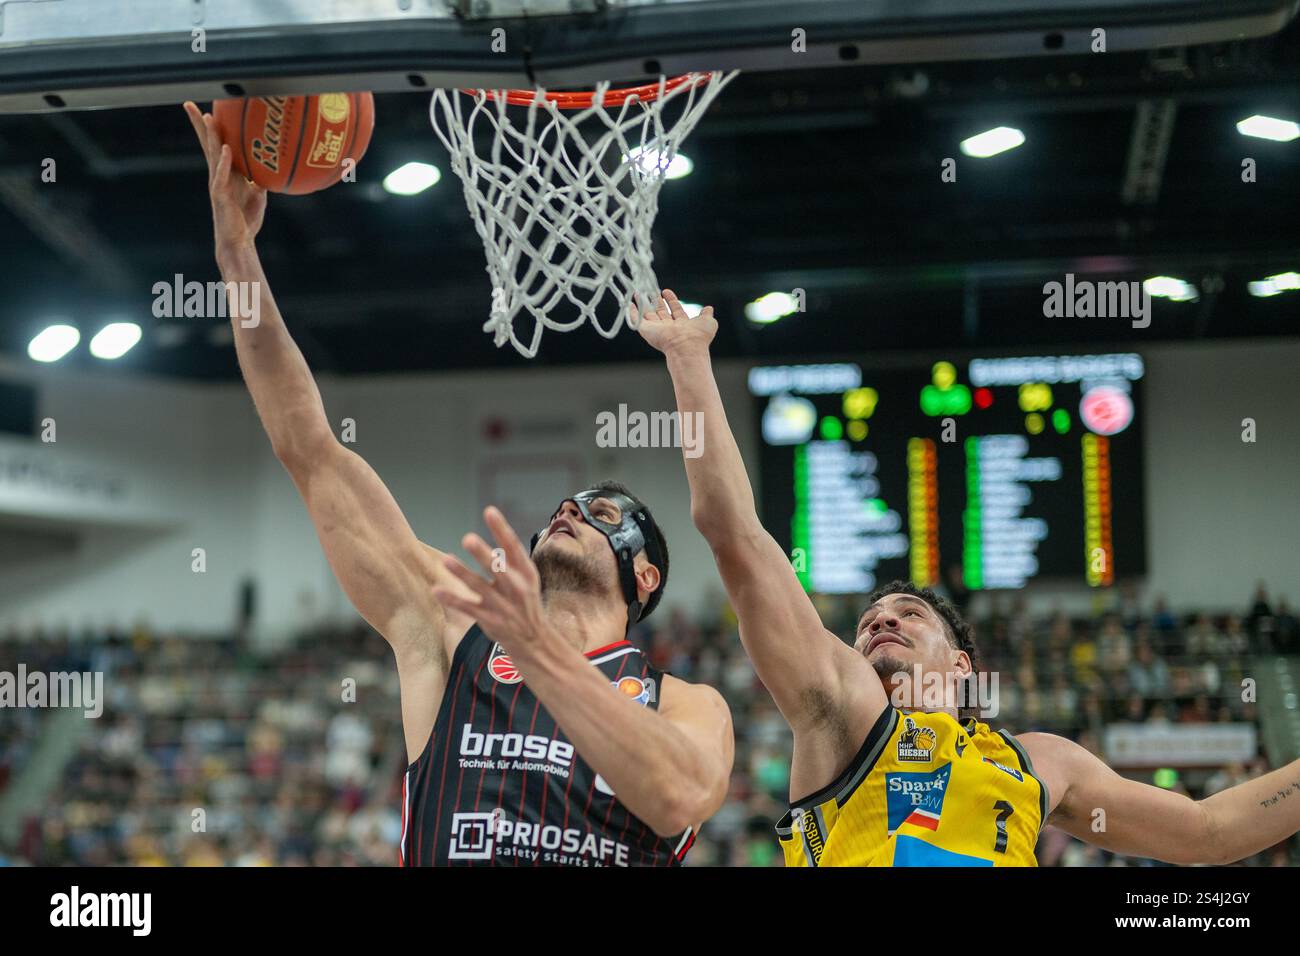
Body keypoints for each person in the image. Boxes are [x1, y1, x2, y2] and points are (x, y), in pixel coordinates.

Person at [184, 103, 733, 867]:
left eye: (603, 512)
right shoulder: (457, 634)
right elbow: (309, 448)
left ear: (645, 574)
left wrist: (542, 648)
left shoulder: (683, 704)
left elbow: (676, 796)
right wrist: (238, 257)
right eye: (565, 507)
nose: (570, 510)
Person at [639, 289, 1300, 867]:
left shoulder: (1042, 760)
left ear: (959, 663)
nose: (881, 623)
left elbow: (1212, 832)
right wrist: (689, 359)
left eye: (907, 615)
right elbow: (735, 534)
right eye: (869, 624)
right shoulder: (841, 710)